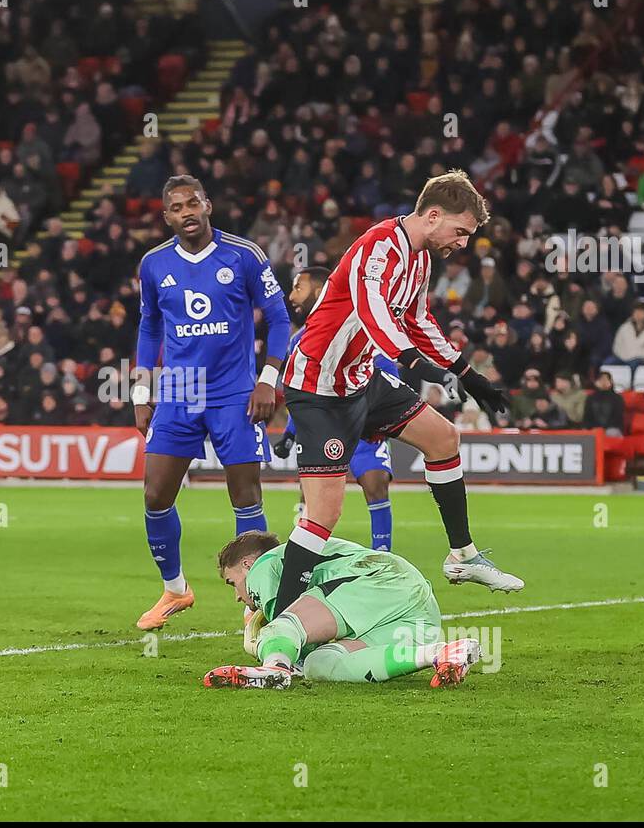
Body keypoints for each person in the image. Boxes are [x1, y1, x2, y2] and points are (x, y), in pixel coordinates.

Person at [275, 170, 522, 623]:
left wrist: (467, 373)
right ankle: (280, 626)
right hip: (319, 386)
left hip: (362, 378)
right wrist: (408, 359)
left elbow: (418, 321)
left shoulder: (421, 260)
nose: (463, 243)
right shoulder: (378, 246)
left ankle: (462, 556)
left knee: (444, 438)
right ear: (432, 216)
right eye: (461, 231)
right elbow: (371, 312)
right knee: (322, 516)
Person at [132, 175, 290, 630]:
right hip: (179, 392)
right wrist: (142, 391)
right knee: (155, 494)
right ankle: (176, 590)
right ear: (166, 216)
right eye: (176, 207)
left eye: (193, 203)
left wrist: (267, 380)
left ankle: (257, 599)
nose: (186, 212)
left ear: (208, 205)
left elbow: (278, 318)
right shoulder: (153, 264)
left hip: (234, 392)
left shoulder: (243, 255)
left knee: (245, 496)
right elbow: (149, 329)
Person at [202, 531, 482, 690]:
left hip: (378, 579)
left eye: (232, 582)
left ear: (248, 565)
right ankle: (441, 653)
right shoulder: (292, 561)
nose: (237, 596)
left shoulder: (264, 565)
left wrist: (261, 642)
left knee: (282, 627)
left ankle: (273, 671)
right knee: (320, 664)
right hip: (418, 607)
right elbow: (306, 653)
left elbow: (284, 623)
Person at [273, 266, 395, 550]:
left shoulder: (361, 325)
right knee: (315, 500)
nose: (291, 296)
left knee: (376, 485)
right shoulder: (298, 340)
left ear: (318, 291)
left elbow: (388, 372)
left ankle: (382, 556)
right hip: (323, 427)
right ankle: (307, 550)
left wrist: (381, 419)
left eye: (298, 288)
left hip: (364, 429)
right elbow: (299, 391)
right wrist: (290, 435)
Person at [582, 371, 625, 436]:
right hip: (594, 428)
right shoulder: (590, 398)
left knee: (611, 432)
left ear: (611, 382)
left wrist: (602, 429)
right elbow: (587, 416)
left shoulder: (617, 398)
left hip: (612, 428)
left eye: (606, 379)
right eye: (600, 380)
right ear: (596, 383)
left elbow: (617, 417)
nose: (603, 382)